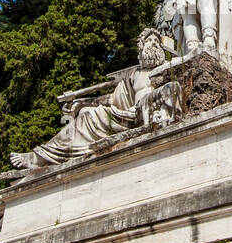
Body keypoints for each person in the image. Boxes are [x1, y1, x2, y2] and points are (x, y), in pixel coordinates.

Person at [9, 29, 178, 169]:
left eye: (156, 40)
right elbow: (111, 99)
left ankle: (41, 158)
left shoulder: (167, 68)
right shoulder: (134, 75)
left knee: (172, 87)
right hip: (129, 114)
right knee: (85, 113)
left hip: (150, 108)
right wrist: (82, 102)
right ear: (141, 47)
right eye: (149, 40)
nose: (154, 43)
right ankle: (41, 157)